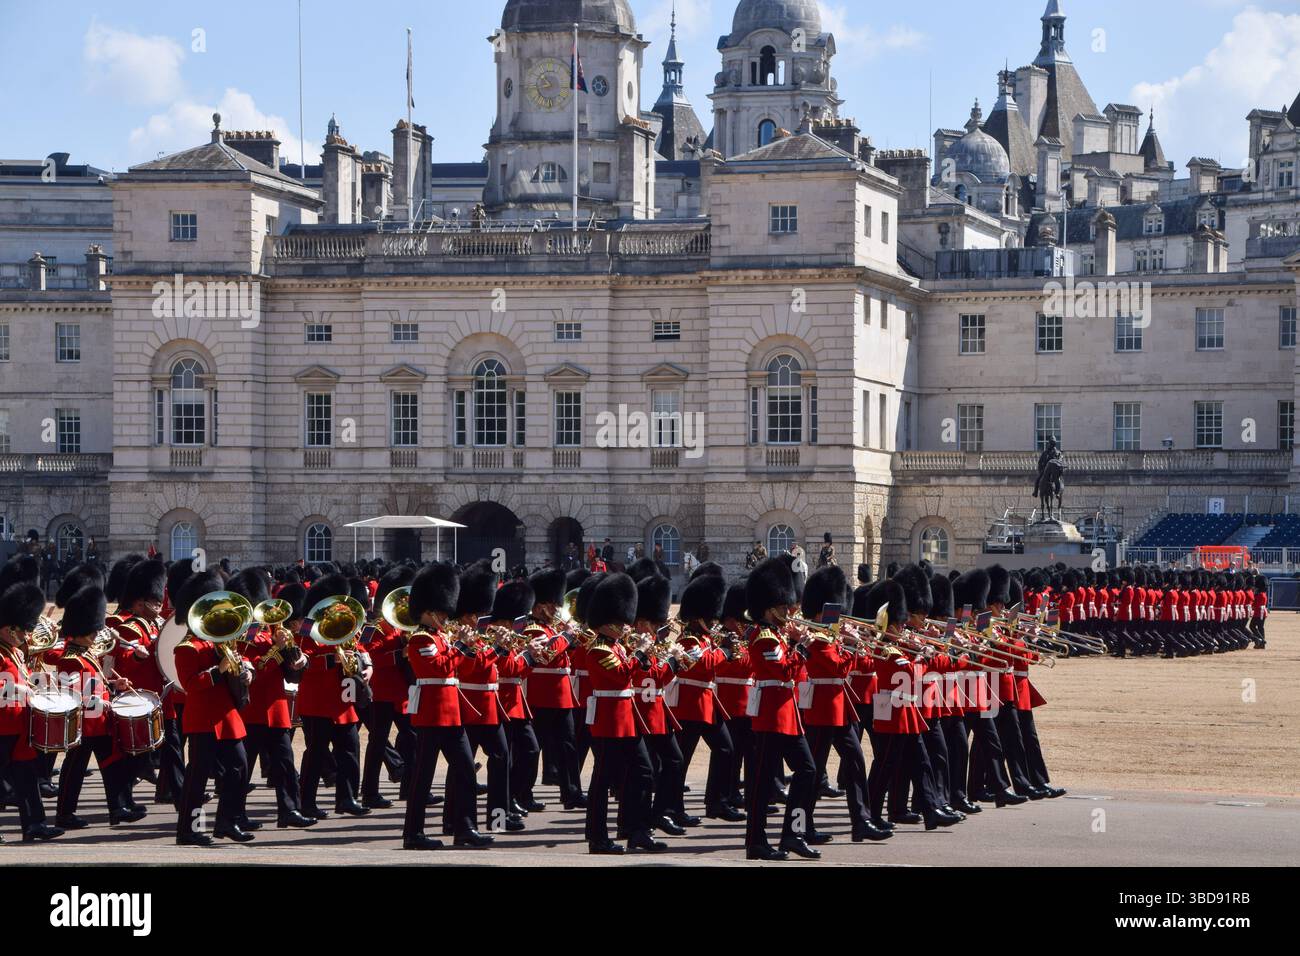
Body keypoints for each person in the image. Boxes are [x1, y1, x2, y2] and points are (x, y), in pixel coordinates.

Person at [402, 562, 492, 850]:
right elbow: (438, 668)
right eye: (440, 611)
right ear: (426, 611)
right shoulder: (420, 639)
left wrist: (469, 647)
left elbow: (459, 668)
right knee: (423, 778)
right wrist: (461, 647)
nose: (444, 616)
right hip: (432, 714)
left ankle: (465, 828)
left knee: (466, 770)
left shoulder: (442, 637)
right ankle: (413, 833)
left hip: (453, 714)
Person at [582, 573, 666, 855]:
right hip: (609, 720)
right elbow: (619, 676)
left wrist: (647, 656)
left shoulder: (618, 646)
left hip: (628, 719)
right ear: (606, 621)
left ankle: (636, 829)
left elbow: (637, 673)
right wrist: (640, 654)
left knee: (643, 771)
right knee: (603, 781)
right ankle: (597, 837)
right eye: (619, 622)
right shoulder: (598, 649)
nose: (624, 626)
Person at [743, 557, 819, 861]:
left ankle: (793, 833)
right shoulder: (763, 638)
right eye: (782, 605)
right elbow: (783, 672)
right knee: (761, 785)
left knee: (807, 771)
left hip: (787, 715)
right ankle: (755, 843)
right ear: (768, 606)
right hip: (771, 717)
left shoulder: (777, 636)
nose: (788, 610)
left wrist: (796, 645)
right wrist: (800, 647)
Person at [172, 570, 255, 845]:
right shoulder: (186, 647)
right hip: (203, 718)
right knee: (197, 778)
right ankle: (188, 830)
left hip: (227, 715)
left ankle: (226, 822)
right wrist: (218, 671)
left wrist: (244, 673)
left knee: (239, 768)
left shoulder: (221, 643)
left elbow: (238, 665)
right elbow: (190, 684)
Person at [0, 582, 64, 842]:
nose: (27, 635)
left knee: (27, 779)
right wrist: (17, 689)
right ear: (7, 628)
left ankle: (35, 824)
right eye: (24, 630)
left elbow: (20, 681)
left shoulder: (13, 652)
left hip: (19, 724)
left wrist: (34, 685)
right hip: (3, 725)